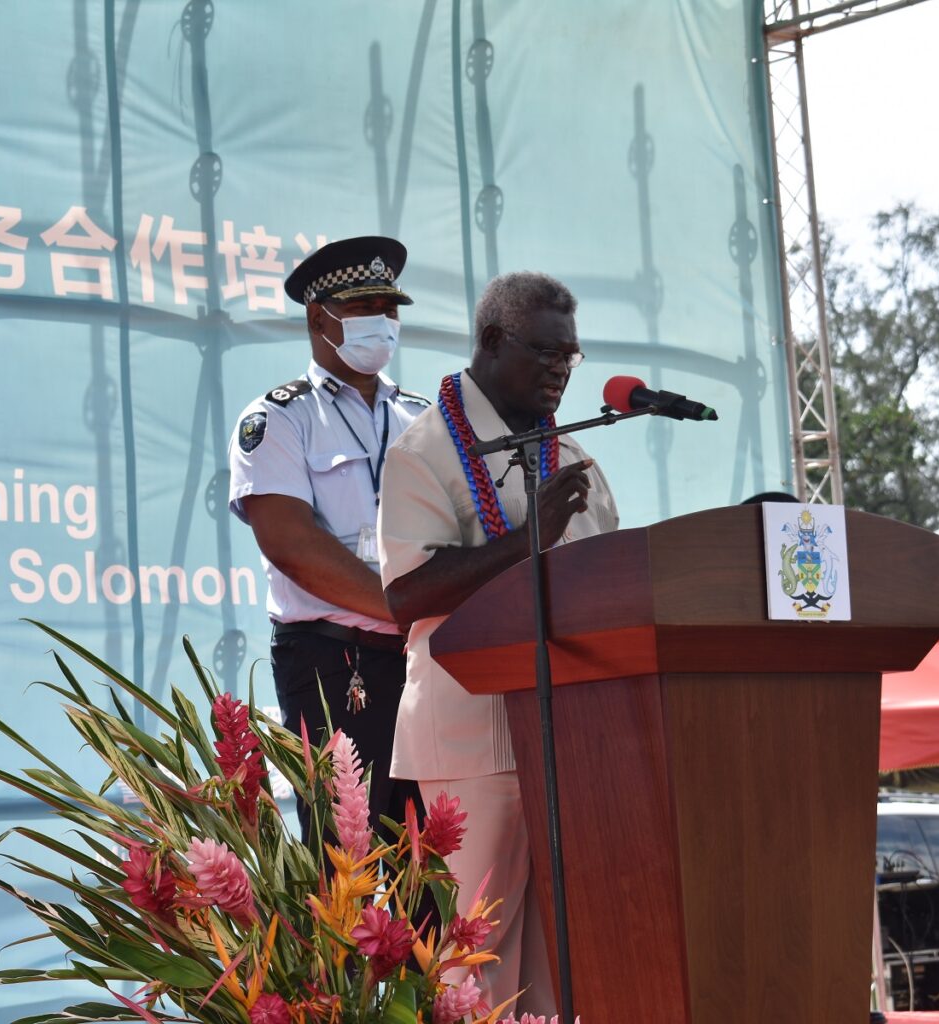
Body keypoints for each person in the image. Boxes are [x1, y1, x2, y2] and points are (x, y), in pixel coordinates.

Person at [377, 271, 619, 1016]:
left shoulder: (573, 455)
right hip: (472, 742)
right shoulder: (424, 452)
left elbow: (613, 575)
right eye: (546, 351)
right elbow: (409, 595)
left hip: (566, 732)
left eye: (571, 358)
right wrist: (525, 541)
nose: (560, 370)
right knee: (472, 954)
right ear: (491, 341)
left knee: (559, 957)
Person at [228, 235, 428, 843]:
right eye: (369, 308)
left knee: (429, 854)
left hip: (422, 659)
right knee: (346, 856)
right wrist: (405, 605)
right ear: (321, 317)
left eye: (390, 310)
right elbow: (291, 544)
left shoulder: (424, 418)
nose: (384, 324)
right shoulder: (278, 417)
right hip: (333, 663)